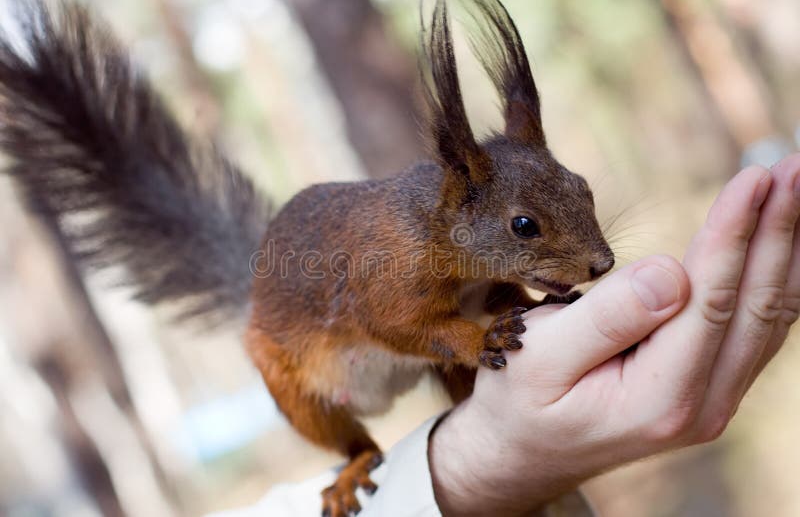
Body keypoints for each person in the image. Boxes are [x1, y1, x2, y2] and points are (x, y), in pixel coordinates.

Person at [208, 155, 800, 516]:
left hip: (434, 338)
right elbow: (388, 321)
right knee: (272, 351)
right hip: (332, 360)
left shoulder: (463, 249)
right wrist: (476, 349)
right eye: (524, 227)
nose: (600, 261)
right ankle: (357, 456)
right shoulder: (409, 255)